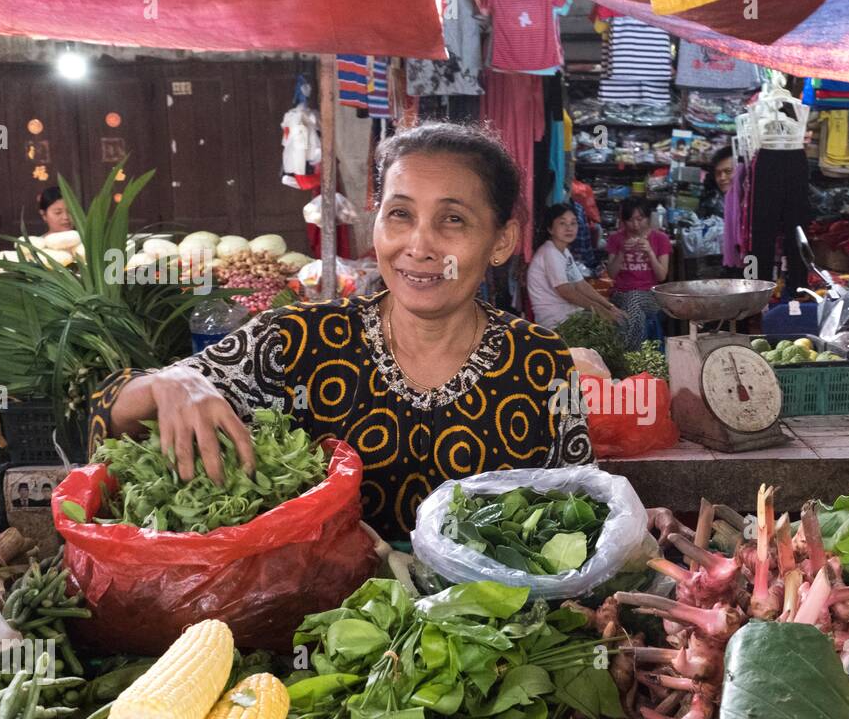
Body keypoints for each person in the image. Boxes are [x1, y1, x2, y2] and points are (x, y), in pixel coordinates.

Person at [88, 122, 594, 541]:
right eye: (399, 214)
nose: (418, 245)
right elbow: (108, 418)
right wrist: (168, 383)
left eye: (453, 220)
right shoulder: (298, 341)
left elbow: (576, 520)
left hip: (490, 645)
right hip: (314, 644)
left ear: (502, 240)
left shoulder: (539, 362)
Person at [526, 204, 625, 331]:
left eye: (573, 223)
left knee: (619, 319)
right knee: (615, 328)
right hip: (557, 322)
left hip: (571, 316)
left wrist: (609, 306)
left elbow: (581, 284)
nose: (569, 228)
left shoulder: (564, 252)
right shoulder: (549, 252)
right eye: (562, 223)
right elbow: (567, 292)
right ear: (550, 229)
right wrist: (600, 310)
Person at [605, 198, 672, 350]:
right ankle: (639, 357)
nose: (635, 225)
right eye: (630, 220)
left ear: (648, 218)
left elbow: (662, 276)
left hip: (651, 296)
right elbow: (612, 274)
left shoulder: (660, 239)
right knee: (635, 311)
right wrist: (622, 252)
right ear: (623, 221)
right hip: (620, 294)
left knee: (633, 300)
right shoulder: (616, 239)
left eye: (639, 219)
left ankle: (625, 354)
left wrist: (650, 252)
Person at [698, 146, 734, 219]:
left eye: (728, 171)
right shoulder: (711, 203)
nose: (722, 178)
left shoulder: (751, 203)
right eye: (718, 173)